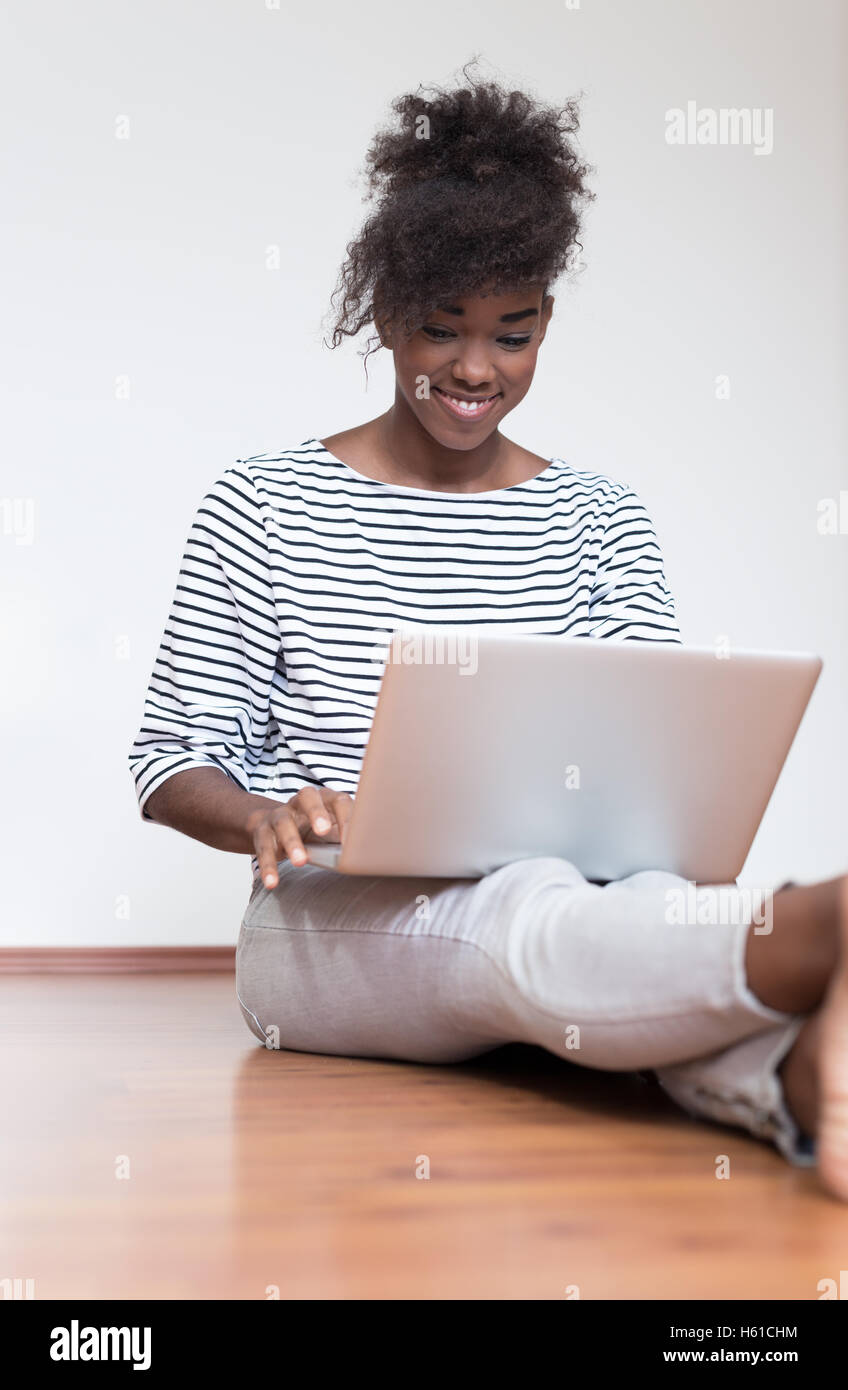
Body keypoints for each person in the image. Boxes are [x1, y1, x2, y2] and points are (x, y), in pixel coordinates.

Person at [128, 71, 848, 1199]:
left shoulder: (600, 517)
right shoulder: (262, 503)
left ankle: (802, 1080)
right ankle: (813, 926)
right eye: (438, 330)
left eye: (511, 334)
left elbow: (647, 779)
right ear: (382, 316)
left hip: (574, 904)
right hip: (324, 930)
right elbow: (168, 760)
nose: (473, 370)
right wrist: (272, 814)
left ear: (546, 322)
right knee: (523, 915)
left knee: (633, 907)